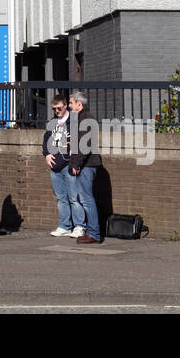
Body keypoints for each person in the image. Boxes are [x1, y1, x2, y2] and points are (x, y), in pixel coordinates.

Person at [68, 91, 103, 244]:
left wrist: (76, 164)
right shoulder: (82, 118)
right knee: (86, 198)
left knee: (87, 199)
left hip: (87, 165)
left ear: (79, 104)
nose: (69, 106)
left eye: (71, 103)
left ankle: (94, 233)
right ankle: (91, 231)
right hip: (86, 164)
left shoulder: (86, 119)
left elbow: (85, 145)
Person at [43, 94, 77, 237]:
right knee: (61, 198)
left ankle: (79, 226)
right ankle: (65, 226)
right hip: (55, 166)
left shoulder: (74, 121)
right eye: (54, 109)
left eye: (58, 108)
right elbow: (45, 140)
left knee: (74, 198)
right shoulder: (53, 122)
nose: (56, 111)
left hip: (69, 165)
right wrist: (46, 154)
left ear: (65, 105)